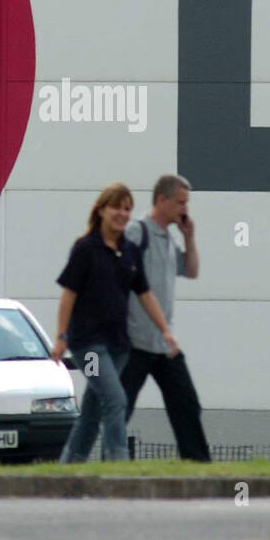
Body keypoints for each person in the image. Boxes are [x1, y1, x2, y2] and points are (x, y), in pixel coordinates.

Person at [52, 183, 177, 462]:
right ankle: (117, 465)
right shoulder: (85, 249)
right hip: (89, 347)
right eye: (116, 207)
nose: (122, 214)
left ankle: (68, 468)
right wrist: (60, 337)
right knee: (115, 398)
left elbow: (145, 295)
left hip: (119, 346)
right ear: (101, 211)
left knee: (93, 411)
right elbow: (68, 296)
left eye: (127, 209)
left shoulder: (129, 251)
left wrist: (165, 331)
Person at [121, 174, 210, 461]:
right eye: (180, 203)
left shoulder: (170, 240)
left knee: (186, 403)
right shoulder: (137, 232)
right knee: (119, 407)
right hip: (135, 341)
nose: (184, 209)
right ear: (162, 200)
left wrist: (189, 237)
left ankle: (198, 464)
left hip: (163, 343)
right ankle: (113, 458)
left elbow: (193, 271)